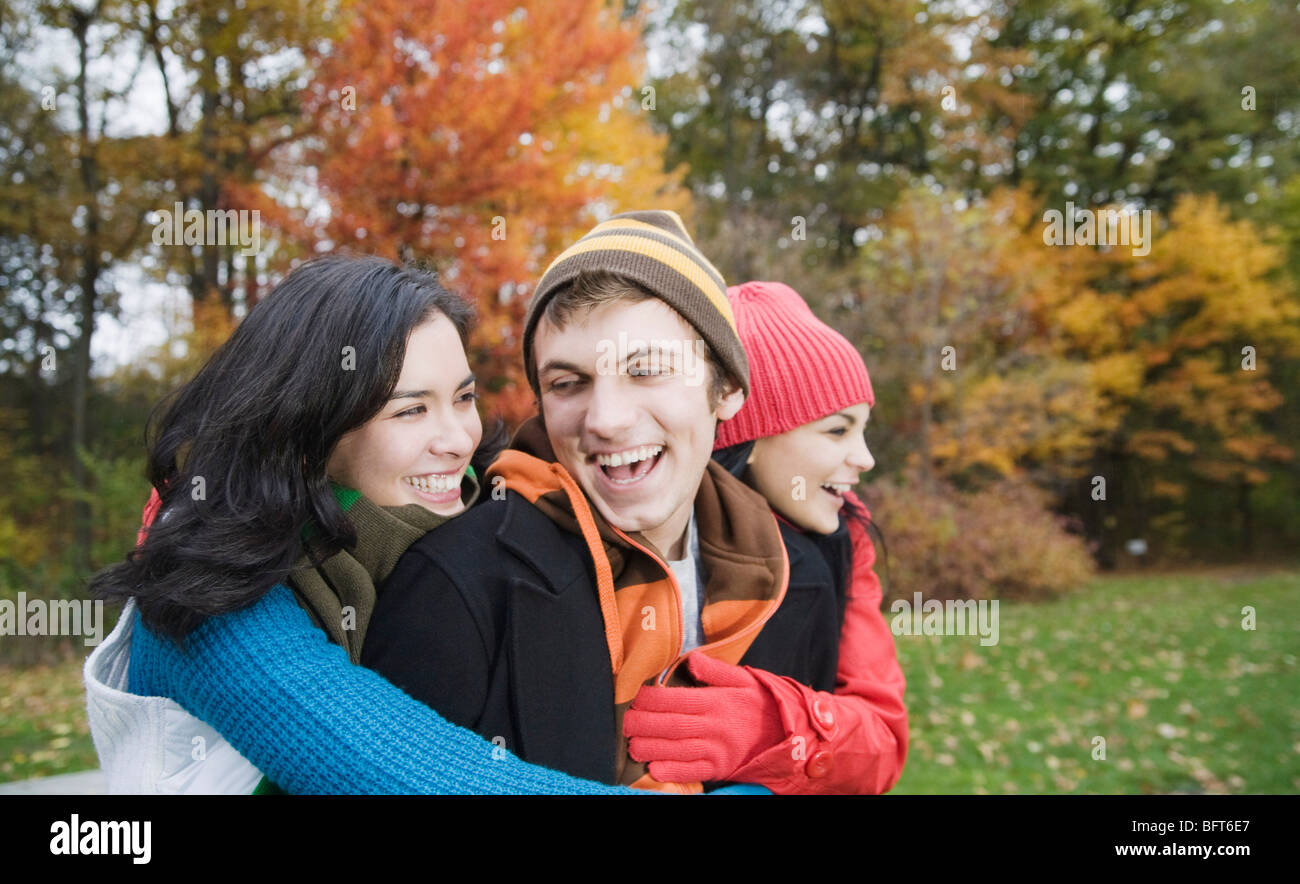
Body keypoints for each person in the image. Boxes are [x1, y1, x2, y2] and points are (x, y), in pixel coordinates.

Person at [84, 255, 635, 794]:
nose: (456, 439)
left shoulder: (445, 516)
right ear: (306, 432)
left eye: (463, 398)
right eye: (410, 410)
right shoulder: (211, 601)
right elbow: (425, 776)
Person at [361, 211, 863, 791]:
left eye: (646, 370)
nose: (605, 420)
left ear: (726, 389)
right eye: (567, 383)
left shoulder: (799, 575)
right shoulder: (456, 584)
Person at [622, 280, 908, 793]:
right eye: (837, 431)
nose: (865, 459)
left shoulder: (845, 536)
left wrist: (777, 727)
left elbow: (884, 737)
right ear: (747, 435)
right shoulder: (645, 529)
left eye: (862, 429)